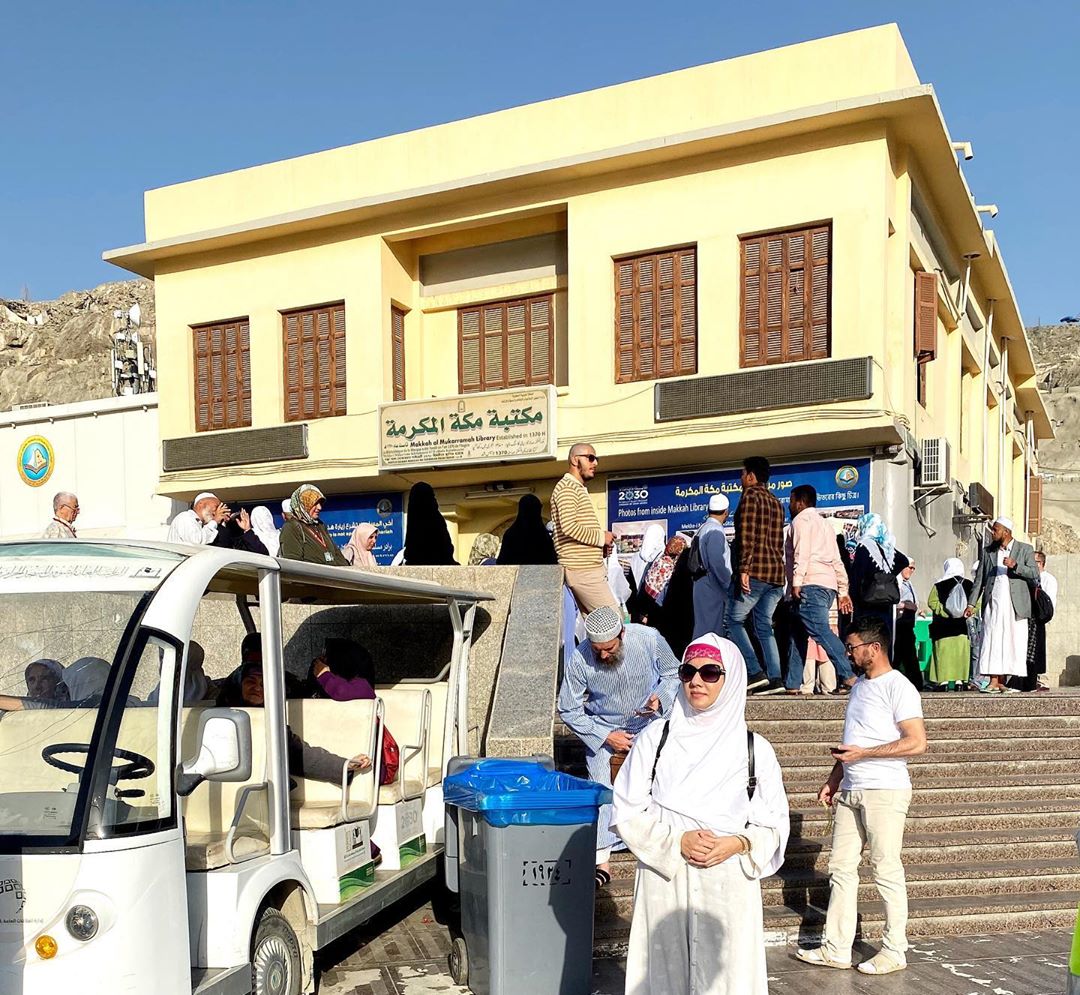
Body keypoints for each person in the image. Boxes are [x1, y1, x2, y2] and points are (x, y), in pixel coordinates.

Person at [611, 634, 789, 995]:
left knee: (726, 978)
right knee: (663, 974)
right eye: (688, 671)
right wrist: (676, 841)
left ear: (732, 678)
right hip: (666, 878)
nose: (696, 680)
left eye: (710, 672)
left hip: (727, 881)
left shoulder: (756, 749)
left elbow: (773, 824)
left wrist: (738, 843)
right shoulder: (655, 739)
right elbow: (625, 809)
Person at [796, 616, 927, 976]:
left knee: (886, 869)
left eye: (853, 647)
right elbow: (854, 739)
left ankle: (895, 949)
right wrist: (834, 778)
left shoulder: (898, 686)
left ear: (875, 647)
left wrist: (864, 755)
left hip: (885, 788)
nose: (848, 653)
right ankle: (836, 948)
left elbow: (917, 742)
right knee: (841, 869)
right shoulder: (858, 688)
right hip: (852, 787)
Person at [556, 605, 681, 886]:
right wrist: (605, 736)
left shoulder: (649, 638)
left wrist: (659, 697)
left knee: (660, 783)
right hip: (604, 728)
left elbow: (674, 672)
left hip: (649, 724)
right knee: (601, 786)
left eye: (609, 648)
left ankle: (659, 849)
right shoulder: (580, 658)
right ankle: (602, 861)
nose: (603, 654)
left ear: (622, 633)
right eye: (597, 649)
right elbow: (568, 709)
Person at [223, 656, 373, 784]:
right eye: (250, 681)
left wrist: (345, 765)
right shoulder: (218, 717)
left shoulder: (270, 721)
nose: (257, 688)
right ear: (237, 684)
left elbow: (298, 755)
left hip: (257, 793)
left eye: (263, 684)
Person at [783, 485, 857, 694]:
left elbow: (802, 553)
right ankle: (792, 684)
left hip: (809, 583)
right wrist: (842, 590)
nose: (789, 506)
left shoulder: (800, 521)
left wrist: (796, 582)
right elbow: (836, 559)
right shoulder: (825, 525)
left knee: (819, 630)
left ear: (799, 502)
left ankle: (849, 674)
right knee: (797, 633)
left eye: (790, 501)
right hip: (827, 585)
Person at [728, 457, 786, 695]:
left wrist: (743, 569)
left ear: (751, 476)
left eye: (742, 474)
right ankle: (775, 679)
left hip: (755, 572)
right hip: (775, 574)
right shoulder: (776, 502)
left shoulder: (750, 496)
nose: (741, 478)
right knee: (764, 626)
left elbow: (747, 536)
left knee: (732, 620)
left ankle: (755, 672)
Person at [308, 638, 398, 786]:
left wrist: (324, 675)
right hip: (329, 768)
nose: (319, 662)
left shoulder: (362, 687)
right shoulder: (319, 691)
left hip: (370, 768)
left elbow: (343, 691)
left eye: (325, 658)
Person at [967, 517, 1038, 694]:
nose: (992, 533)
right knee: (992, 639)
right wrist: (971, 603)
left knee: (1012, 641)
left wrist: (1015, 566)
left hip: (1016, 605)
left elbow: (1034, 574)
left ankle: (1004, 681)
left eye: (995, 530)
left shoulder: (1025, 549)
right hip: (994, 604)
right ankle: (993, 681)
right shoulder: (988, 552)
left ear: (1006, 532)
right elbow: (979, 580)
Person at [550, 443, 617, 613]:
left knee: (599, 632)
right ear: (575, 459)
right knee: (614, 625)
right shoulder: (567, 488)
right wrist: (601, 538)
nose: (595, 464)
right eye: (591, 458)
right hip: (583, 571)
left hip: (586, 569)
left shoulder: (575, 488)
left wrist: (598, 547)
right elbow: (569, 526)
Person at [850, 513, 910, 646]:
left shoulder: (864, 546)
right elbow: (904, 560)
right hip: (885, 603)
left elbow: (856, 577)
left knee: (867, 639)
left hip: (867, 603)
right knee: (882, 638)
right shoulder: (888, 548)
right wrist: (888, 574)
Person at [927, 558, 974, 690]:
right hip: (962, 628)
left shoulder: (939, 585)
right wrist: (967, 612)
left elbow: (932, 602)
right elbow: (977, 602)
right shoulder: (970, 585)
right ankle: (959, 682)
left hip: (942, 628)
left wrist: (944, 612)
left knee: (943, 656)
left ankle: (943, 683)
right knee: (960, 656)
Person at [1, 657, 110, 712]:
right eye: (31, 680)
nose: (37, 686)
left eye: (45, 679)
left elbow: (48, 706)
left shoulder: (95, 706)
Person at [692, 494, 733, 640]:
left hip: (702, 584)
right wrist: (729, 585)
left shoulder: (703, 528)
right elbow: (717, 562)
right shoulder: (715, 530)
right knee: (712, 632)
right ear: (726, 512)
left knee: (703, 628)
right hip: (712, 585)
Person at [279, 485, 349, 566]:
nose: (319, 507)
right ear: (303, 503)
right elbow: (292, 564)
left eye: (320, 503)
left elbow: (337, 555)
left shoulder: (320, 526)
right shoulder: (291, 527)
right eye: (315, 503)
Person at [397, 482, 458, 566]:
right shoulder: (436, 519)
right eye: (432, 496)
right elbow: (445, 548)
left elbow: (411, 551)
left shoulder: (414, 520)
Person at [1023, 551, 1057, 692]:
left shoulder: (1048, 579)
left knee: (1036, 651)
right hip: (1028, 618)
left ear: (1040, 563)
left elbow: (1048, 601)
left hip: (1039, 619)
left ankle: (1037, 679)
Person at [496, 494, 558, 565]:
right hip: (540, 575)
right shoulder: (543, 536)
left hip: (517, 575)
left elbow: (502, 562)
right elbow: (552, 561)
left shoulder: (511, 535)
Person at [627, 524, 665, 622]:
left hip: (637, 607)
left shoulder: (635, 557)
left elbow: (631, 586)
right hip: (655, 608)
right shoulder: (663, 557)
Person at [893, 561, 922, 689]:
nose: (911, 570)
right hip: (899, 623)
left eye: (914, 568)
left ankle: (915, 682)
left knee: (907, 654)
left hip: (908, 623)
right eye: (909, 567)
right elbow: (895, 601)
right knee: (902, 654)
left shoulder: (908, 584)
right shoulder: (897, 582)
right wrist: (907, 605)